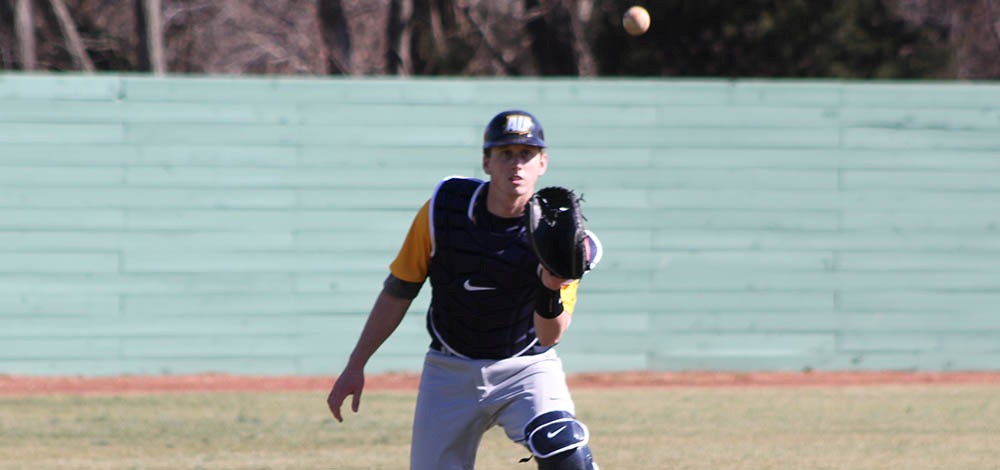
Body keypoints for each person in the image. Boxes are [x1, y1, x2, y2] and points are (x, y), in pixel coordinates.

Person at [326, 110, 601, 470]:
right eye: (505, 154)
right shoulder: (444, 209)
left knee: (563, 446)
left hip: (525, 368)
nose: (516, 165)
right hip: (449, 369)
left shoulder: (559, 235)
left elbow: (549, 336)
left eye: (526, 154)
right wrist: (355, 364)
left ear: (542, 163)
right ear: (487, 161)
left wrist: (550, 288)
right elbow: (399, 290)